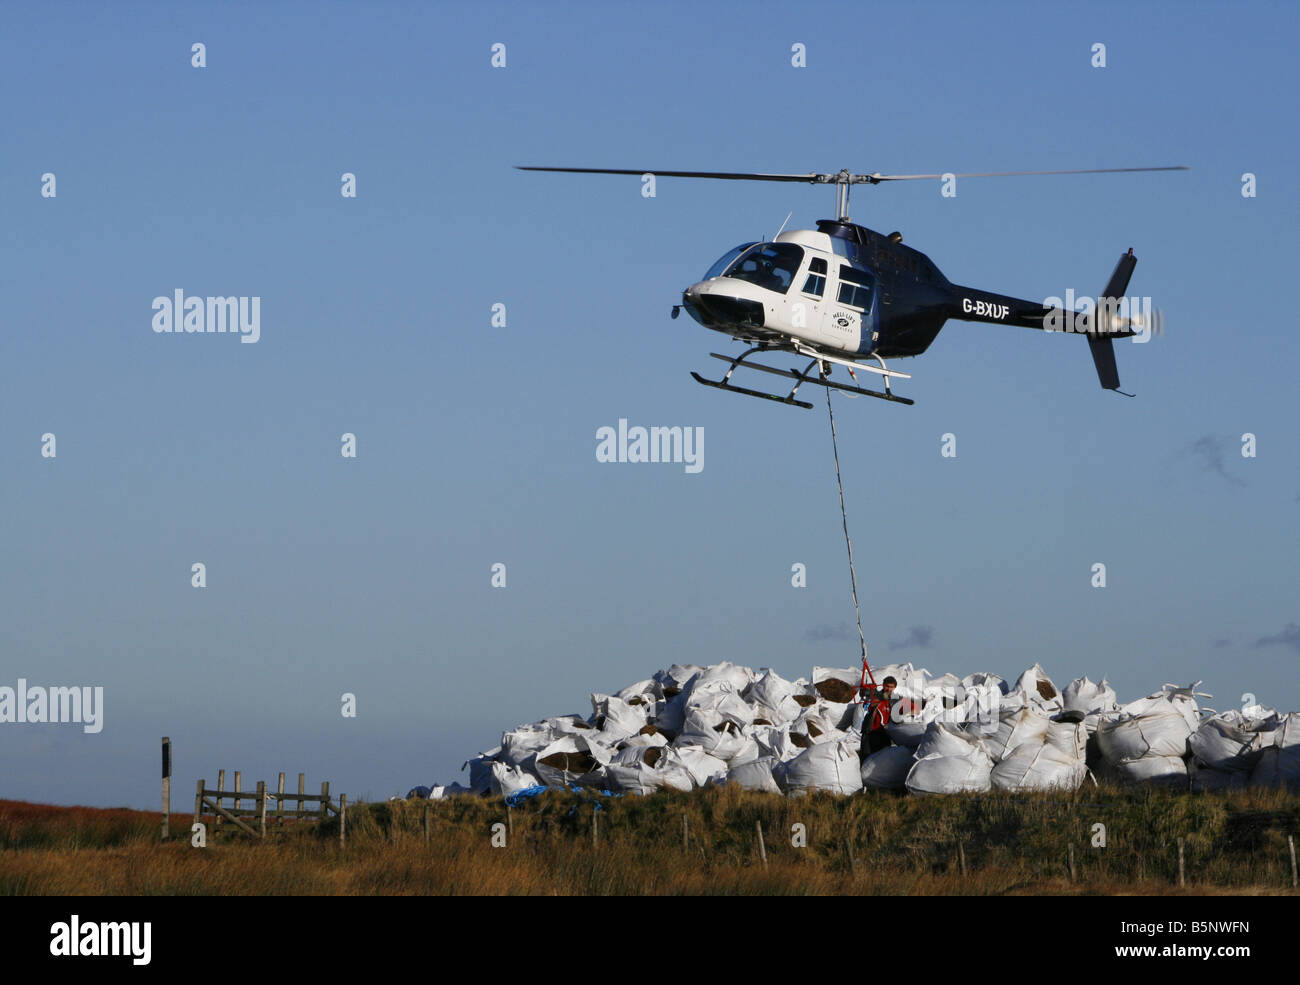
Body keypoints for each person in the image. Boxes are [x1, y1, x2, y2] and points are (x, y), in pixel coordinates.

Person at [859, 676, 897, 762]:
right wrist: (880, 698)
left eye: (891, 687)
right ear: (883, 685)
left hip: (884, 734)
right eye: (887, 686)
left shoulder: (894, 700)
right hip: (870, 733)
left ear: (894, 688)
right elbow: (867, 705)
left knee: (882, 760)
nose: (889, 689)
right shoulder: (875, 695)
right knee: (866, 758)